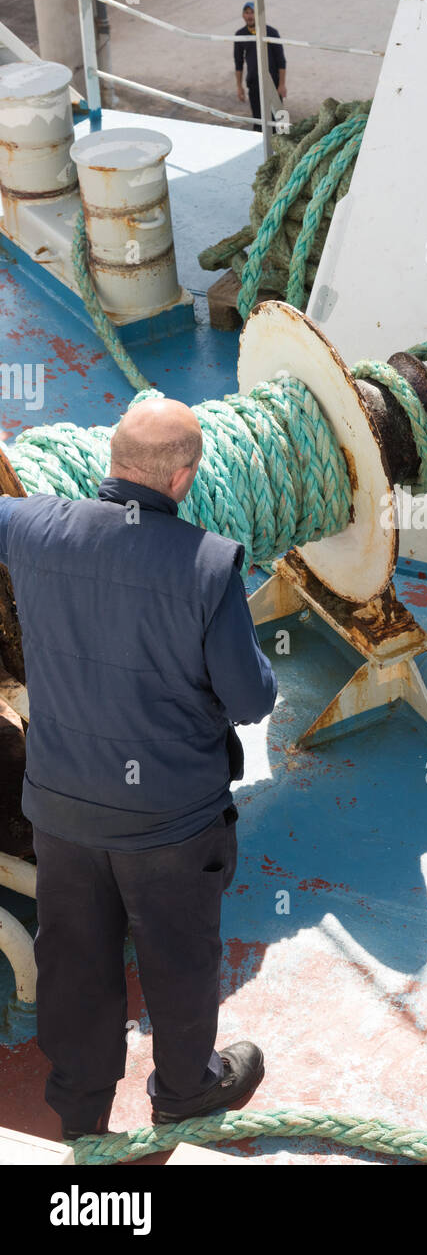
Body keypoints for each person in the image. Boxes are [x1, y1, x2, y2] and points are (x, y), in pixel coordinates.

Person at [0, 398, 278, 1139]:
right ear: (183, 476)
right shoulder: (209, 567)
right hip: (170, 823)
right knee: (178, 958)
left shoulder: (28, 528)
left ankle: (80, 1109)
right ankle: (185, 1090)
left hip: (59, 810)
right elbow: (250, 700)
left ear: (111, 462)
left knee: (75, 958)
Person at [234, 1, 287, 130]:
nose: (249, 16)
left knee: (280, 120)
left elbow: (281, 61)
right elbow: (238, 63)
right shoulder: (240, 35)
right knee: (259, 121)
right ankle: (260, 146)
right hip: (254, 83)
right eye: (246, 13)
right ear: (242, 15)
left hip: (273, 82)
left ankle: (286, 145)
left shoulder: (271, 32)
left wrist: (281, 85)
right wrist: (239, 87)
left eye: (252, 12)